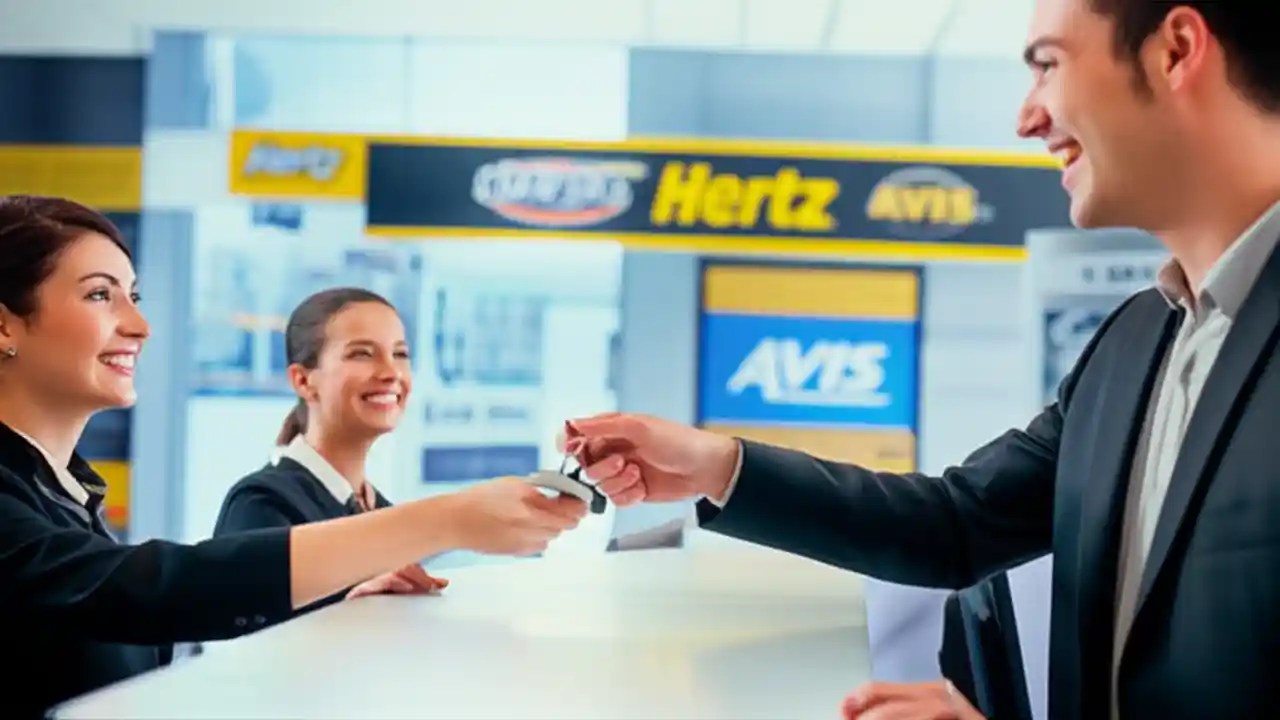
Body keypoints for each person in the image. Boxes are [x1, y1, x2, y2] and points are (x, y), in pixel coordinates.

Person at [563, 3, 1280, 719]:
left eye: (1048, 66)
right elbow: (958, 523)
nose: (1027, 119)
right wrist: (715, 463)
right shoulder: (1134, 342)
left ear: (1176, 50)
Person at [0, 195, 587, 718]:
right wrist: (448, 519)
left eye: (134, 297)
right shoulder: (259, 497)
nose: (140, 325)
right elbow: (153, 593)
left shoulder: (68, 495)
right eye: (101, 295)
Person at [213, 287, 447, 608]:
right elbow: (238, 637)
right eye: (362, 354)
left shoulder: (380, 513)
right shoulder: (261, 504)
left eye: (400, 354)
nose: (391, 372)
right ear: (303, 381)